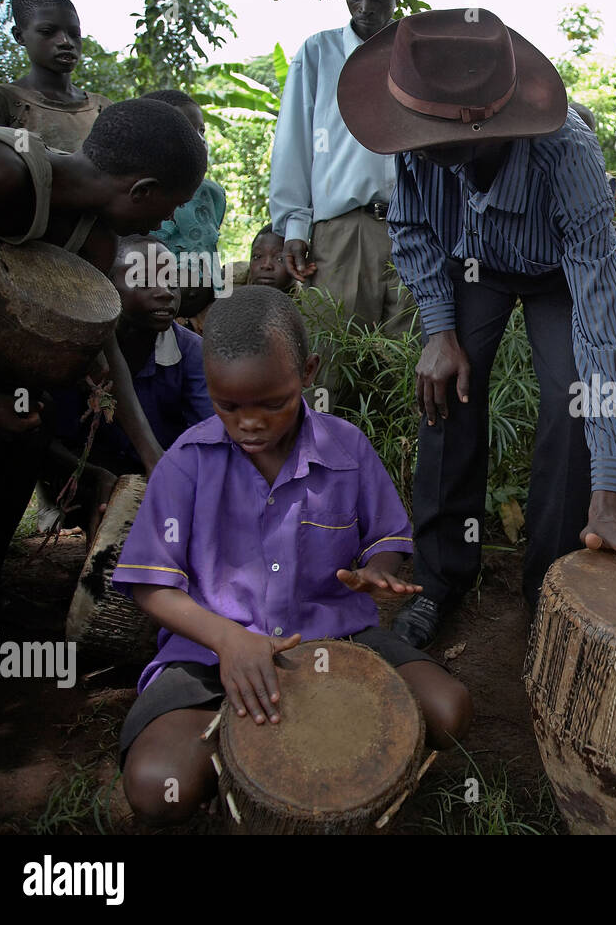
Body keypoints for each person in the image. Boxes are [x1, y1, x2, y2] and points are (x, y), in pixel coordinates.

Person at [338, 8, 616, 645]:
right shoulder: (419, 143)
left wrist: (609, 492)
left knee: (572, 401)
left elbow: (606, 323)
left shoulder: (568, 158)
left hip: (558, 273)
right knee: (447, 389)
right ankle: (440, 582)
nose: (429, 153)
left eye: (449, 143)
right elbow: (413, 228)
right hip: (475, 271)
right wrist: (439, 330)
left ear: (497, 125)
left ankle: (549, 592)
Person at [114, 286, 472, 826]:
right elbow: (150, 584)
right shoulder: (186, 463)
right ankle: (236, 782)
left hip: (338, 638)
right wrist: (230, 640)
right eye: (227, 405)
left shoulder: (346, 449)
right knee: (157, 785)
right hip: (212, 653)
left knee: (449, 711)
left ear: (308, 371)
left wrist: (376, 572)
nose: (249, 422)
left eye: (271, 403)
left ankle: (363, 782)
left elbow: (386, 538)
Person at [0, 99, 206, 603]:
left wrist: (152, 456)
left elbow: (105, 348)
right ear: (141, 190)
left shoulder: (95, 239)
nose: (165, 224)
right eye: (166, 209)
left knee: (27, 429)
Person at [40, 235, 214, 535]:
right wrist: (95, 477)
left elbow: (210, 439)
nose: (165, 293)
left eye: (171, 280)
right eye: (144, 281)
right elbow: (46, 440)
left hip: (166, 476)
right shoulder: (76, 350)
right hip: (88, 477)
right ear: (106, 286)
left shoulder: (192, 353)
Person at [270, 0, 412, 337]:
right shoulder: (317, 53)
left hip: (414, 228)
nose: (364, 9)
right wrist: (295, 226)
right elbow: (294, 144)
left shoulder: (419, 53)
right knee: (335, 360)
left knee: (409, 362)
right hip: (342, 231)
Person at [0, 0, 113, 153]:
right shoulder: (4, 101)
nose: (65, 41)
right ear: (19, 36)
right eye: (48, 32)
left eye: (74, 34)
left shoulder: (102, 108)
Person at [143, 90, 226, 321]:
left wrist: (216, 306)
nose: (199, 140)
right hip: (154, 318)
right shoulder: (138, 198)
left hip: (203, 319)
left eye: (201, 131)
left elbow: (210, 254)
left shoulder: (212, 194)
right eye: (187, 132)